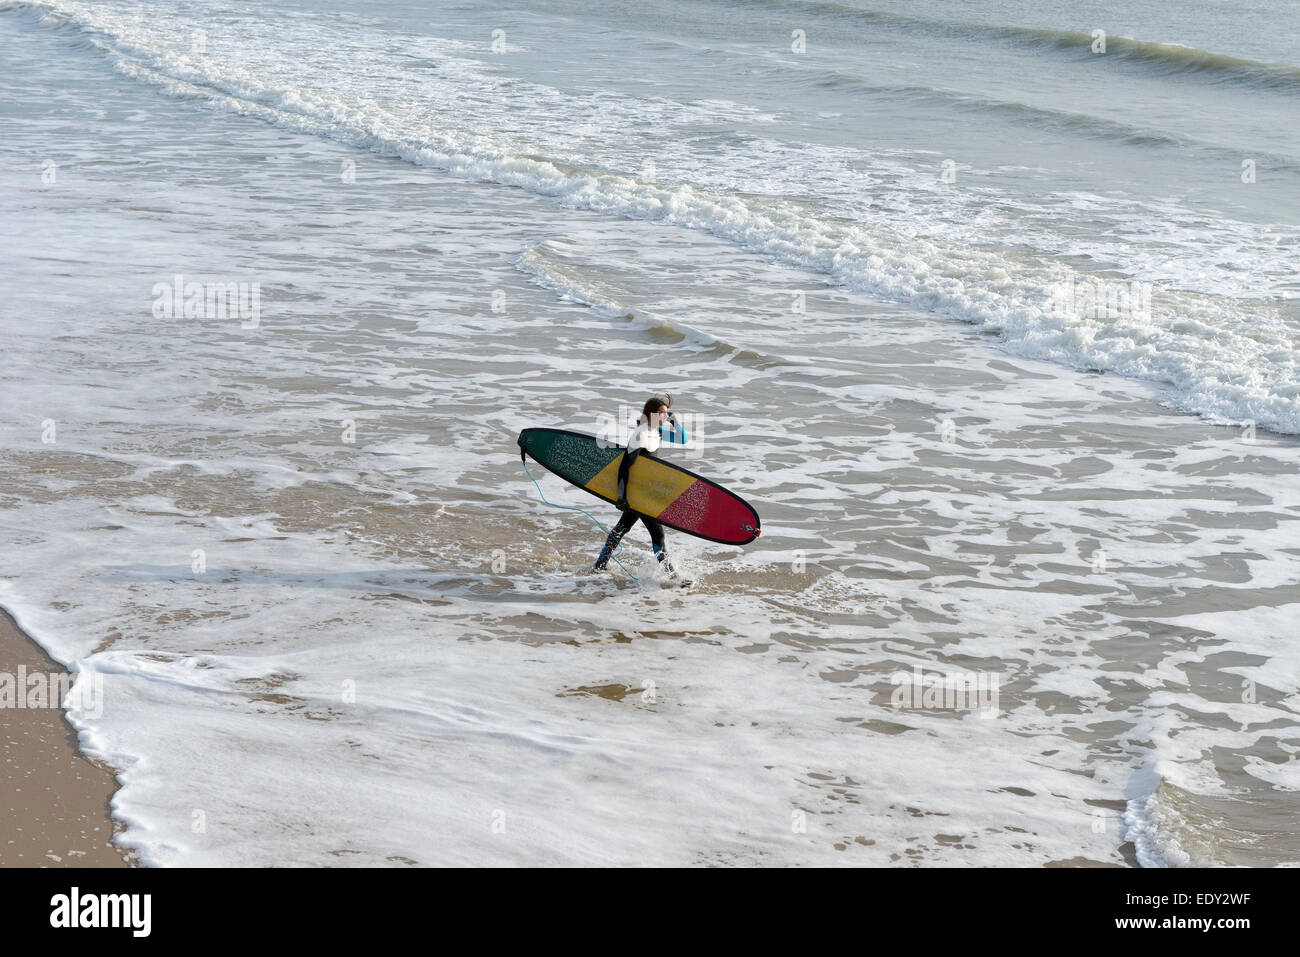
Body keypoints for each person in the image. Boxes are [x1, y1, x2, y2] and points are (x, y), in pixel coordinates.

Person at [592, 393, 688, 572]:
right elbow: (624, 467)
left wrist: (674, 421)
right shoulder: (641, 434)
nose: (665, 416)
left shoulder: (656, 431)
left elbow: (683, 439)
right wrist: (622, 496)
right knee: (657, 534)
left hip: (644, 490)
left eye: (667, 413)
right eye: (662, 413)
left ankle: (600, 564)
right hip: (638, 493)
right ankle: (671, 575)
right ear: (651, 414)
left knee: (623, 527)